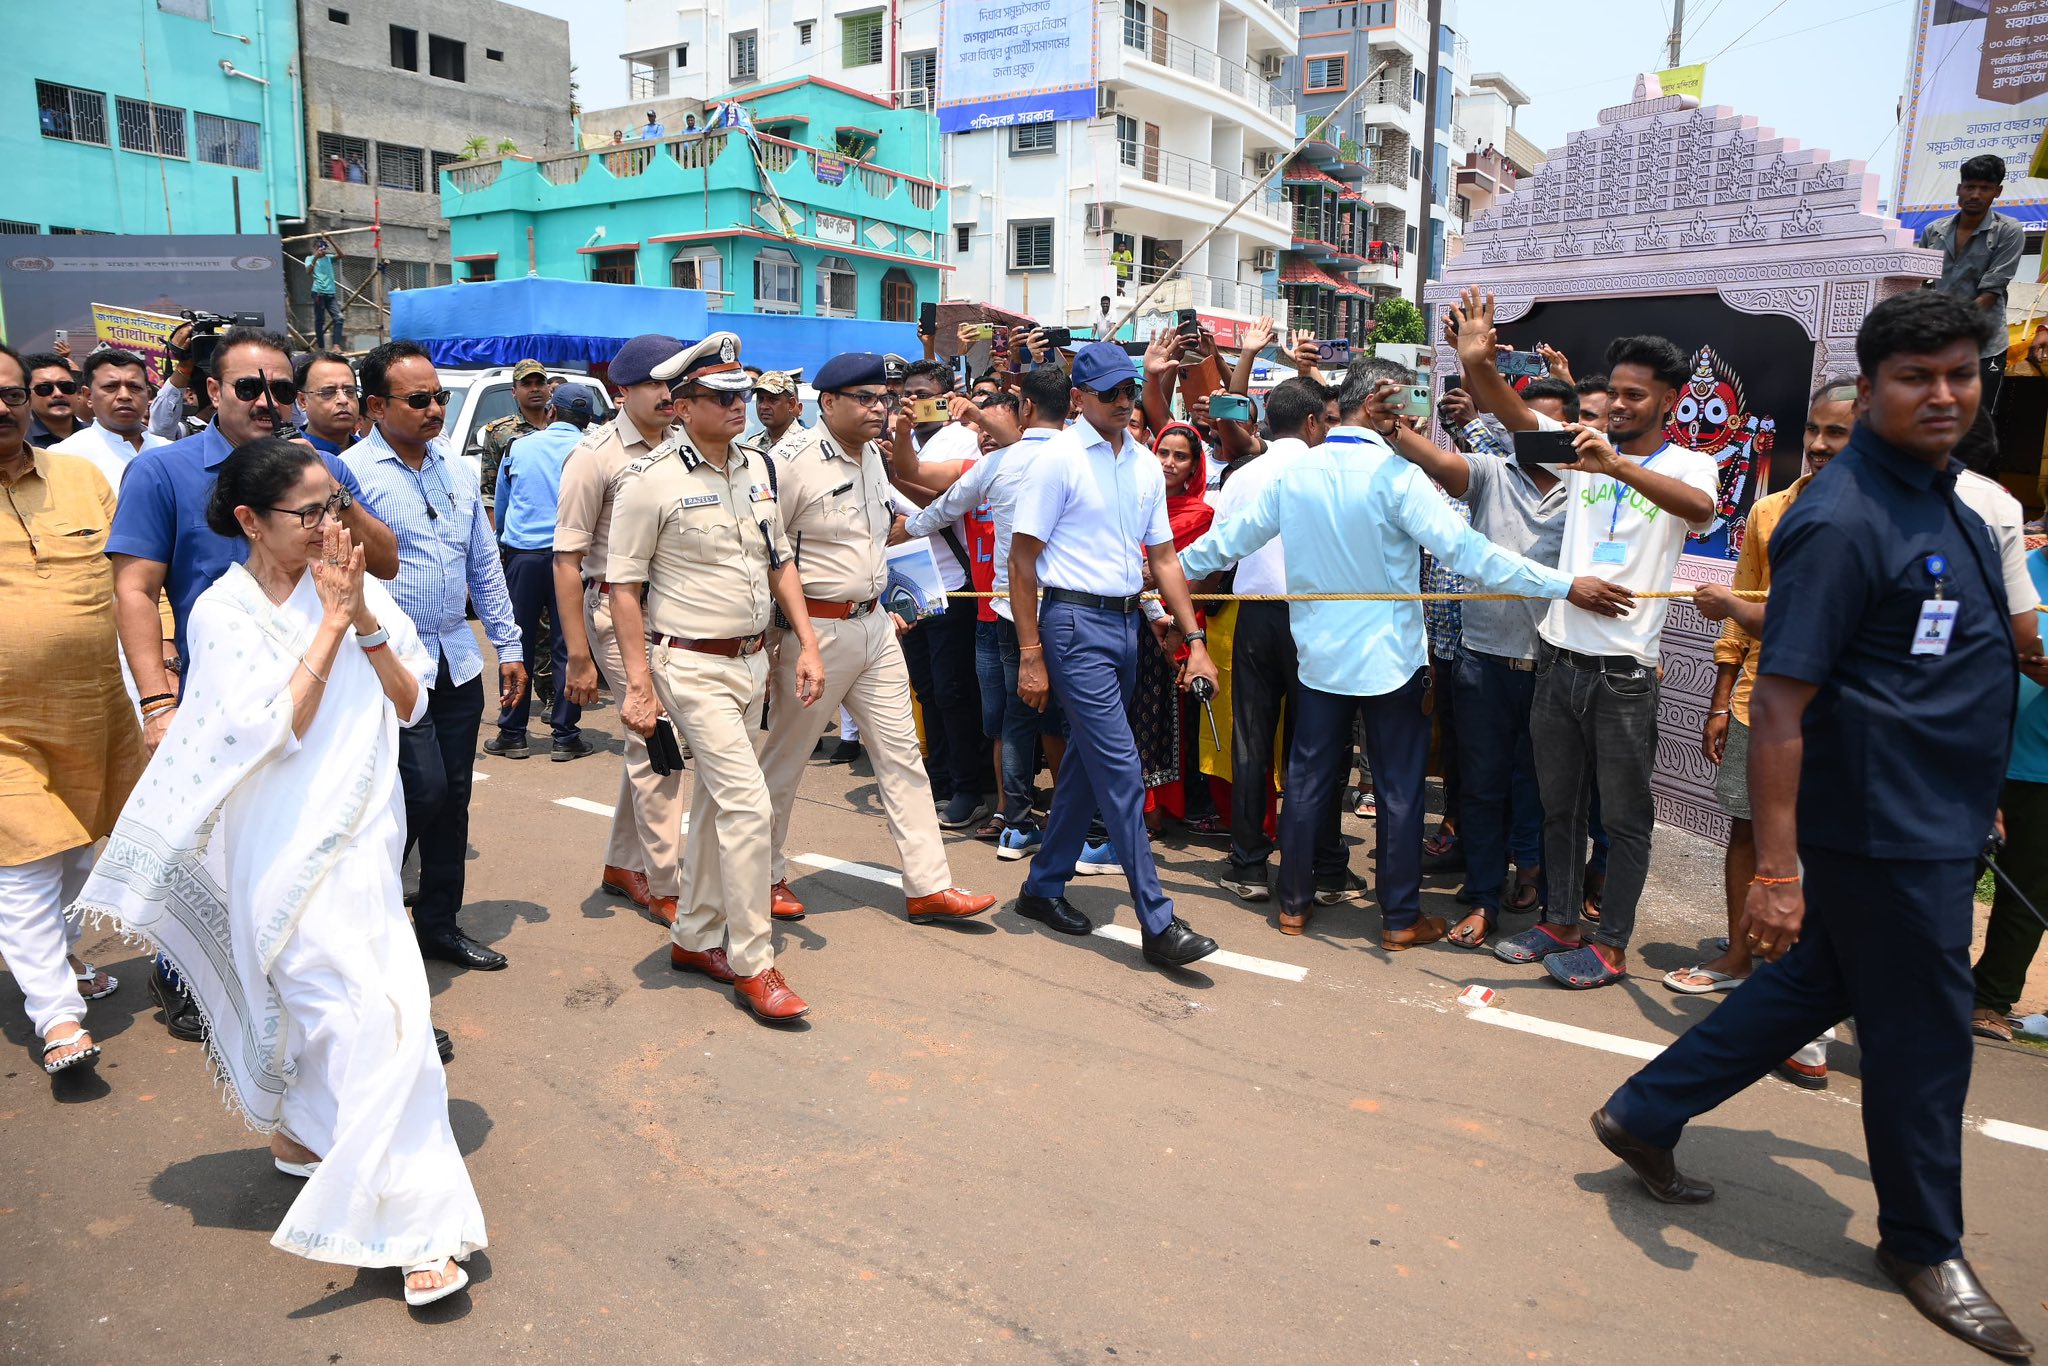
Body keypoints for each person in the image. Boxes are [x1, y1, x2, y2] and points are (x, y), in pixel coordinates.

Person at [1592, 291, 2035, 1363]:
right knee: (1922, 1040)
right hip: (1880, 825)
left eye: (1958, 374)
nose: (1941, 394)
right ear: (1873, 385)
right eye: (1913, 376)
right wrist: (1774, 871)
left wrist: (1977, 788)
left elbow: (1963, 662)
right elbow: (1782, 701)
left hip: (1933, 812)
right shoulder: (1841, 519)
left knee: (1817, 983)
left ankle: (1643, 1110)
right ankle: (1922, 1242)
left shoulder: (1956, 506)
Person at [76, 438, 485, 1307]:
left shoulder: (356, 585)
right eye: (311, 513)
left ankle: (319, 1146)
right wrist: (333, 622)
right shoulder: (222, 611)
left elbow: (411, 703)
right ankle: (408, 1221)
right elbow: (270, 731)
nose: (332, 526)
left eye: (337, 505)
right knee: (361, 1018)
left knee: (372, 1018)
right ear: (250, 522)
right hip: (281, 845)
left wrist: (363, 617)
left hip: (363, 835)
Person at [1182, 359, 1630, 945]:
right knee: (1397, 791)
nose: (1409, 416)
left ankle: (1292, 904)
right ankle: (1398, 919)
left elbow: (1221, 545)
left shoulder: (1294, 473)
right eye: (1401, 403)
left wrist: (1159, 572)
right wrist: (1564, 584)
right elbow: (1474, 556)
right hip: (1391, 664)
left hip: (1320, 659)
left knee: (1308, 780)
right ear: (1374, 405)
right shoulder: (1395, 477)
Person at [107, 327, 399, 1035]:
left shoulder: (321, 471)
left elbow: (384, 562)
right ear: (212, 392)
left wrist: (328, 492)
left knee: (332, 852)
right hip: (224, 698)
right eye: (249, 388)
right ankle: (196, 979)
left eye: (280, 389)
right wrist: (156, 704)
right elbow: (136, 590)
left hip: (328, 691)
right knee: (214, 849)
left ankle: (351, 1006)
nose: (267, 401)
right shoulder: (163, 471)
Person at [1456, 293, 1719, 990]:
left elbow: (1701, 513)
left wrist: (1616, 466)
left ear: (1669, 400)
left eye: (1637, 396)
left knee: (1626, 819)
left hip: (1625, 675)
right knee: (1558, 806)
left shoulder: (1688, 466)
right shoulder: (1579, 451)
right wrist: (1476, 361)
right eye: (1616, 394)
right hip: (1557, 662)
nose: (1623, 406)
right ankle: (1560, 922)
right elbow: (1511, 415)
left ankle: (1611, 945)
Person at [605, 331, 827, 1022]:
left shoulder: (759, 468)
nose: (742, 406)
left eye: (745, 393)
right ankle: (754, 961)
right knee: (747, 805)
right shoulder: (649, 483)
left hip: (750, 661)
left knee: (721, 806)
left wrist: (809, 645)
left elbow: (779, 560)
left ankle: (696, 935)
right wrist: (639, 686)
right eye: (725, 396)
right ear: (683, 404)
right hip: (688, 663)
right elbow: (623, 588)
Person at [756, 352, 998, 927]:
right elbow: (766, 556)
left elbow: (874, 539)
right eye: (866, 399)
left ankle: (928, 885)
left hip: (873, 627)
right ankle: (762, 876)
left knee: (903, 758)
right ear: (828, 402)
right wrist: (776, 644)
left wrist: (891, 598)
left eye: (884, 399)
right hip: (813, 634)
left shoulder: (871, 455)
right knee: (785, 762)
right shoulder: (785, 465)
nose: (880, 409)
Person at [1007, 342, 1220, 970]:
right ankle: (1158, 922)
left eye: (1129, 391)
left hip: (1127, 626)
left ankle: (1043, 887)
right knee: (1121, 771)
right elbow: (1021, 564)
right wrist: (1029, 653)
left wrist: (1194, 641)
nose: (1124, 402)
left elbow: (1163, 560)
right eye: (1110, 393)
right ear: (1078, 398)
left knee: (1085, 764)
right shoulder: (1058, 461)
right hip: (1072, 623)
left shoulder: (1146, 465)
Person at [1380, 372, 1587, 944]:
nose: (1534, 438)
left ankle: (1543, 888)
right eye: (1523, 426)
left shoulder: (1592, 490)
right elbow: (1433, 459)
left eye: (1546, 428)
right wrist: (1391, 422)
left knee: (1547, 789)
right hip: (1482, 661)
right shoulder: (1492, 474)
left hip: (1555, 663)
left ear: (1570, 431)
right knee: (1481, 786)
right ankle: (1482, 899)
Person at [342, 341, 526, 973]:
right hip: (386, 668)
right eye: (418, 400)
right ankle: (368, 924)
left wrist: (508, 646)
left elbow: (482, 561)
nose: (434, 410)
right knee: (403, 802)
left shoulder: (451, 463)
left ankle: (439, 925)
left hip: (455, 660)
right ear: (375, 405)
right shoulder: (350, 476)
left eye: (439, 397)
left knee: (452, 798)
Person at [1675, 381, 1857, 1004]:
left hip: (1842, 718)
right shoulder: (1769, 511)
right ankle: (1738, 952)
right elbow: (1742, 611)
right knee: (1747, 834)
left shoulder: (1880, 520)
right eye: (1813, 431)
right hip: (1760, 705)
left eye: (1837, 433)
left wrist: (1734, 605)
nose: (1818, 445)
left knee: (1826, 849)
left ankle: (1810, 978)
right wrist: (1721, 699)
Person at [0, 343, 146, 1076]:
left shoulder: (82, 479)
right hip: (3, 728)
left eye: (11, 393)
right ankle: (58, 1018)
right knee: (24, 859)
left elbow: (135, 579)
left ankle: (51, 954)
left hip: (96, 709)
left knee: (78, 850)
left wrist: (165, 665)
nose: (3, 406)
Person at [898, 369, 1071, 858]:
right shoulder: (1088, 457)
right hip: (1068, 610)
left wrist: (905, 529)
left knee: (1016, 721)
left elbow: (939, 511)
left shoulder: (1000, 464)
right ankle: (1072, 818)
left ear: (1026, 410)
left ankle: (1018, 822)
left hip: (1009, 610)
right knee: (1062, 722)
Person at [553, 335, 688, 925]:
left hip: (680, 612)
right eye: (653, 384)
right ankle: (668, 885)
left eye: (672, 383)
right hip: (614, 611)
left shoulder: (685, 443)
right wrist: (578, 657)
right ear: (621, 391)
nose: (666, 394)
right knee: (654, 742)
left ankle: (622, 863)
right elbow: (566, 559)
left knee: (653, 742)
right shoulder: (595, 455)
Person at [1211, 376, 1332, 903]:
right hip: (1317, 617)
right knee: (1313, 744)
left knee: (1251, 741)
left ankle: (1248, 862)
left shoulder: (1241, 476)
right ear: (1310, 423)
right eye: (1325, 421)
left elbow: (1221, 552)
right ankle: (1320, 866)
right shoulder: (1328, 472)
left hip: (1254, 615)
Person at [898, 359, 991, 829]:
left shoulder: (962, 438)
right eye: (907, 393)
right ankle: (939, 778)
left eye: (923, 393)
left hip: (955, 582)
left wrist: (898, 479)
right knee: (928, 687)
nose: (913, 400)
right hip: (909, 579)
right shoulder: (903, 437)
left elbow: (941, 502)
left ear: (946, 394)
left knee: (954, 690)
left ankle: (968, 786)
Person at [487, 382, 597, 763]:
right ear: (586, 420)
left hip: (524, 556)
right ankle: (565, 735)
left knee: (516, 641)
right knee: (569, 644)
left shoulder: (518, 447)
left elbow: (501, 507)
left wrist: (507, 544)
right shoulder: (590, 452)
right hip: (573, 558)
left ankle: (512, 731)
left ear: (551, 412)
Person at [1972, 541, 2048, 1043]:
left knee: (2029, 892)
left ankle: (1990, 1001)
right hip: (1982, 754)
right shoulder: (2015, 566)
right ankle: (1917, 984)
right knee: (1945, 879)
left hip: (2044, 774)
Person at [1135, 421, 1221, 831]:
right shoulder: (1133, 504)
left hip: (1179, 626)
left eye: (1180, 456)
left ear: (1194, 466)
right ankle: (1142, 806)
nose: (1168, 463)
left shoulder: (1202, 514)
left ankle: (1175, 806)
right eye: (1162, 453)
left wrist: (1174, 620)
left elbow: (1202, 578)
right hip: (1132, 620)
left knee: (1176, 719)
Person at [1918, 153, 2023, 412]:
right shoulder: (1934, 231)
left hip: (1983, 347)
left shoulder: (2008, 231)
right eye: (1970, 186)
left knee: (1976, 427)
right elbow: (1920, 285)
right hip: (1935, 346)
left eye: (1985, 188)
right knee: (1932, 420)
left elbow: (1990, 294)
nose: (1976, 194)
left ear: (1997, 191)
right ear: (1959, 189)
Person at [52, 347, 168, 486]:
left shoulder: (170, 450)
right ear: (88, 396)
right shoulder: (64, 456)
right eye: (111, 387)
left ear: (148, 395)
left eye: (134, 387)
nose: (124, 396)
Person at [479, 359, 554, 518]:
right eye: (526, 384)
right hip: (520, 527)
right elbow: (489, 493)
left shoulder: (561, 425)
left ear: (548, 388)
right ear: (514, 392)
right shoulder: (500, 432)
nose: (534, 389)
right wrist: (495, 535)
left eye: (540, 383)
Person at [293, 350, 362, 455]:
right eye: (328, 392)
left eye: (350, 391)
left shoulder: (375, 453)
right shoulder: (290, 456)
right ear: (302, 401)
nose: (343, 400)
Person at [23, 352, 84, 447]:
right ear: (27, 395)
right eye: (45, 388)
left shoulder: (98, 436)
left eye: (66, 387)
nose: (58, 394)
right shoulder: (19, 442)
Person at [745, 369, 805, 453]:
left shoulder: (809, 444)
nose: (763, 406)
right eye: (760, 399)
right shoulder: (752, 445)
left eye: (772, 399)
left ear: (791, 404)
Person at [305, 238, 342, 350]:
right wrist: (316, 257)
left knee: (339, 318)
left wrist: (331, 239)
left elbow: (341, 254)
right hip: (319, 293)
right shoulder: (310, 258)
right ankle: (321, 348)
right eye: (321, 248)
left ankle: (336, 345)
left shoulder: (329, 259)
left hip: (331, 293)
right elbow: (308, 272)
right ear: (316, 248)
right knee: (320, 321)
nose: (323, 250)